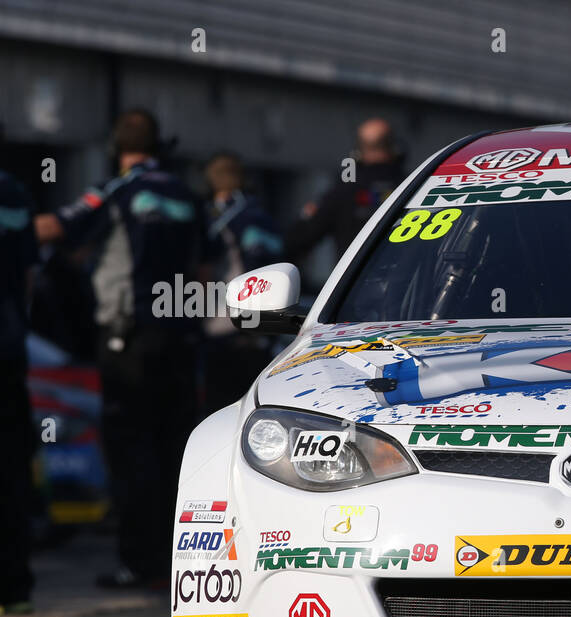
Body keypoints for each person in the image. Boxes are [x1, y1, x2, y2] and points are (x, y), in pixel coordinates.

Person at [34, 109, 205, 590]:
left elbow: (54, 229)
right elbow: (208, 271)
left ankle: (140, 562)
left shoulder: (118, 189)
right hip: (179, 336)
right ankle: (180, 563)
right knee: (175, 452)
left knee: (131, 452)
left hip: (127, 339)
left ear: (118, 147)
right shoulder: (188, 196)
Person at [201, 151, 284, 414]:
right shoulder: (263, 217)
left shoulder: (217, 219)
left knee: (218, 413)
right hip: (261, 331)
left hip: (222, 330)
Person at [284, 117, 404, 264]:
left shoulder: (343, 191)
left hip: (356, 285)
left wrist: (306, 216)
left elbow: (296, 242)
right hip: (407, 284)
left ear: (358, 152)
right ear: (395, 148)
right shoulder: (410, 186)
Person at [0, 165, 38, 614]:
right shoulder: (16, 193)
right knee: (12, 467)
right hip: (10, 351)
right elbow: (29, 276)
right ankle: (15, 587)